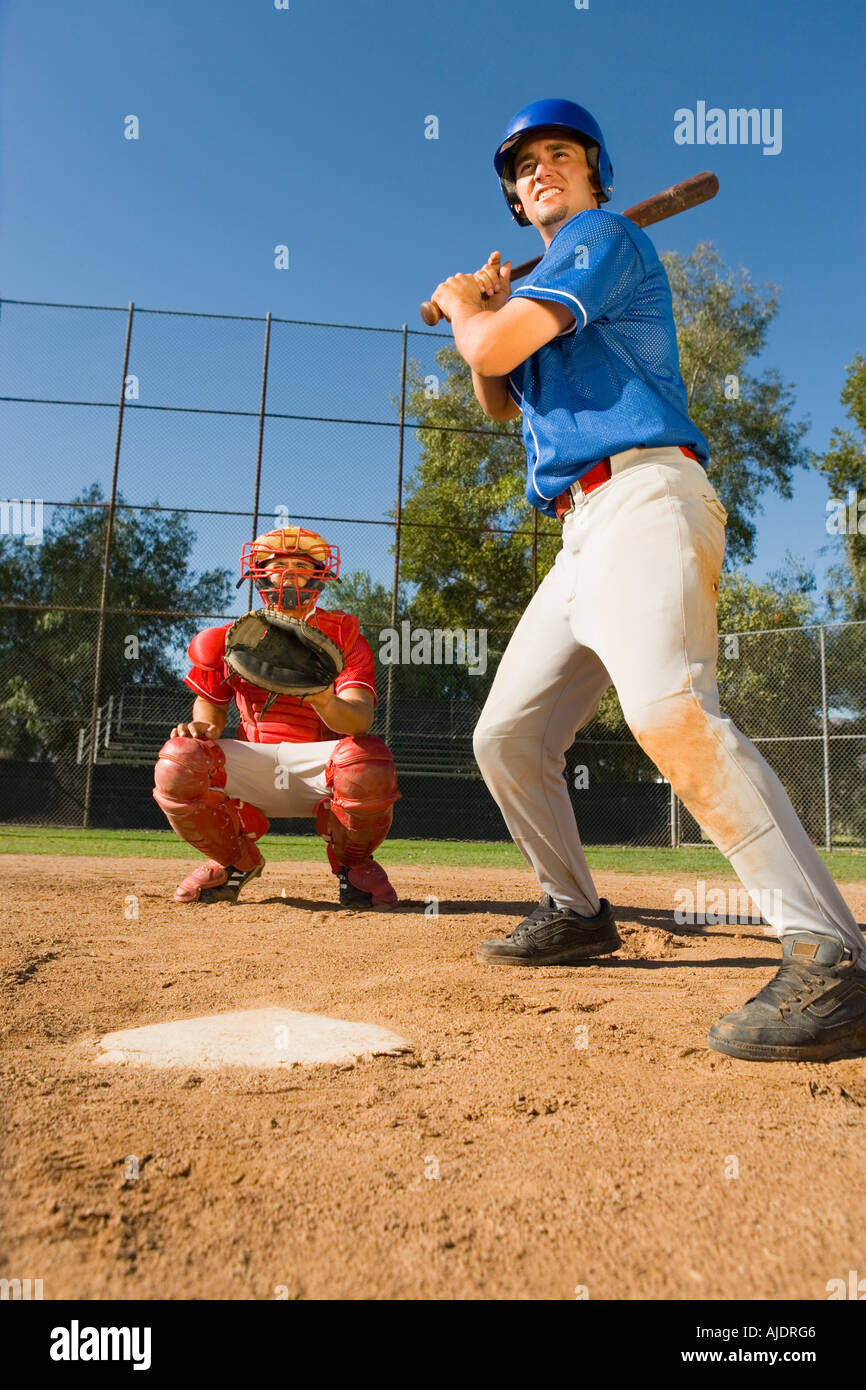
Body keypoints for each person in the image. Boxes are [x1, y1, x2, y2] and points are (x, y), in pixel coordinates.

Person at [429, 98, 866, 1061]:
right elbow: (499, 394)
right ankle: (575, 909)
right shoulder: (546, 284)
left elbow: (490, 348)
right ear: (513, 197)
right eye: (525, 166)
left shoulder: (601, 236)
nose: (541, 170)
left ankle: (833, 951)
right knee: (506, 737)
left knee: (668, 710)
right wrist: (490, 307)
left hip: (646, 493)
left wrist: (469, 310)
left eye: (559, 156)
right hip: (578, 530)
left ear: (594, 176)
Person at [153, 525, 400, 908]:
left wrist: (322, 698)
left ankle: (353, 867)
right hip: (253, 764)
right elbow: (211, 705)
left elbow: (359, 720)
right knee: (179, 758)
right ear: (260, 574)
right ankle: (233, 861)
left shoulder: (344, 637)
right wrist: (205, 727)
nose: (287, 574)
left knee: (367, 760)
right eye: (276, 564)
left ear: (319, 575)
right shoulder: (228, 639)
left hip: (320, 770)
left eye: (300, 565)